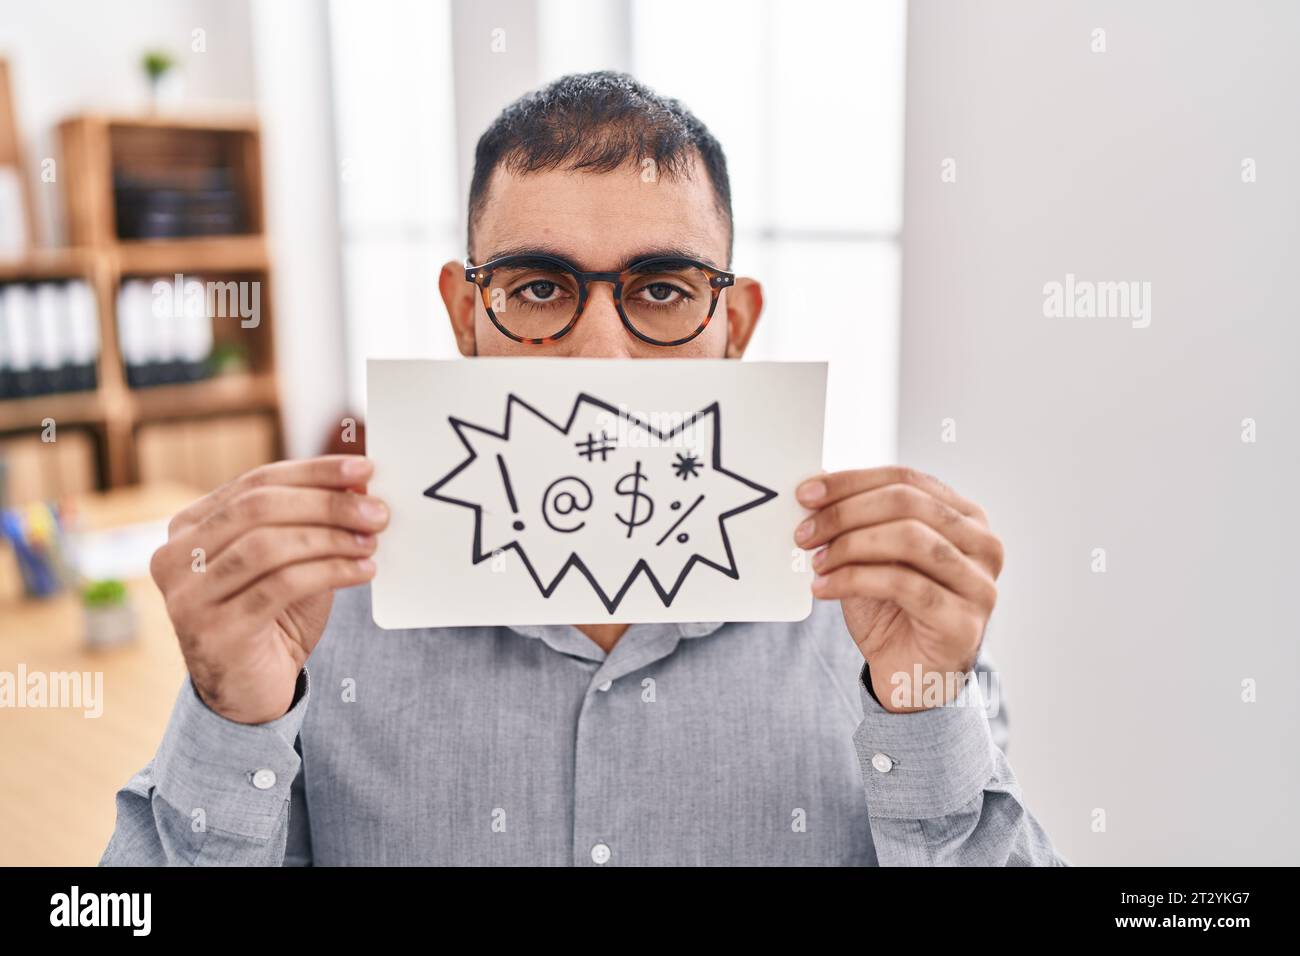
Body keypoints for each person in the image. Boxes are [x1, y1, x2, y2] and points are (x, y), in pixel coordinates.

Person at [102, 71, 1066, 866]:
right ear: (464, 315)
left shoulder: (882, 626)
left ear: (733, 326)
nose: (602, 355)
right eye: (536, 287)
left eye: (660, 289)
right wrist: (231, 719)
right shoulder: (318, 624)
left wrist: (926, 713)